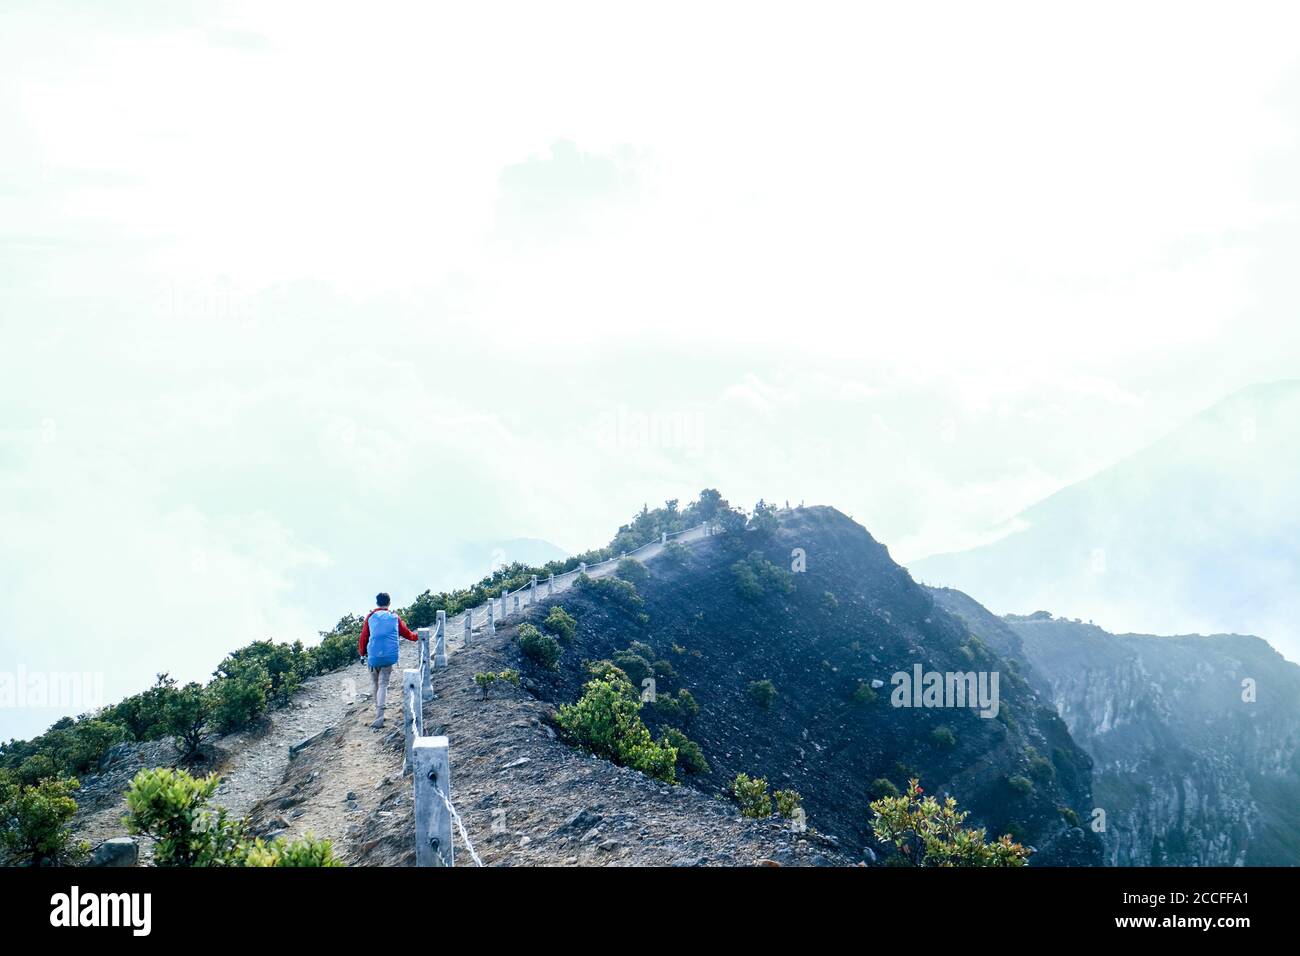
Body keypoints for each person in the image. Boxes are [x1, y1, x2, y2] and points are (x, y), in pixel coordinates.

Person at [357, 592, 419, 728]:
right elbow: (406, 633)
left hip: (373, 657)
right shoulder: (394, 617)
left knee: (375, 684)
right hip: (389, 656)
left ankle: (377, 714)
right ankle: (380, 716)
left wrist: (362, 653)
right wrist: (417, 637)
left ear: (377, 603)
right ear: (389, 603)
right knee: (383, 684)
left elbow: (364, 637)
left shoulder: (370, 617)